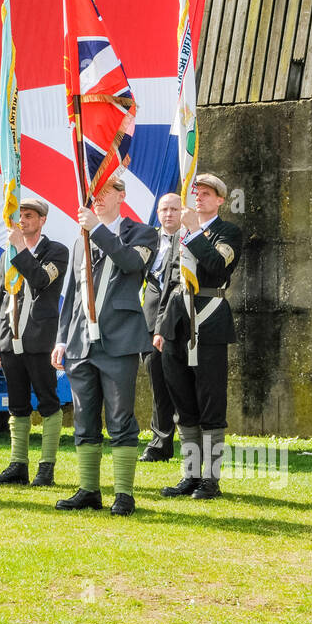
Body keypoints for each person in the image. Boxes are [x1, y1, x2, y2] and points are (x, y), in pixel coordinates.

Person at [51, 175, 158, 516]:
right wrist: (61, 338)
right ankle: (88, 489)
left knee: (120, 417)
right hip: (81, 341)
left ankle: (124, 493)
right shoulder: (80, 238)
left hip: (120, 339)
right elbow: (71, 294)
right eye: (92, 192)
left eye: (104, 190)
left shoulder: (142, 233)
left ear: (121, 196)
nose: (96, 196)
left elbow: (131, 263)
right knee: (83, 418)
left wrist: (96, 228)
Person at [154, 172, 243, 500]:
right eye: (197, 193)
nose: (201, 198)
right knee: (183, 403)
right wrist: (162, 326)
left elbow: (218, 265)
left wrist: (193, 232)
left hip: (210, 322)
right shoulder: (180, 234)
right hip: (176, 324)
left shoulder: (228, 232)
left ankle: (211, 479)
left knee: (210, 402)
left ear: (220, 199)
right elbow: (171, 281)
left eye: (207, 194)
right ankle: (190, 474)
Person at [0, 198, 69, 487]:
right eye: (20, 216)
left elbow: (40, 279)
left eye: (30, 216)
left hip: (40, 338)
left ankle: (46, 467)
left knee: (48, 401)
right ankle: (17, 464)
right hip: (10, 337)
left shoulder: (56, 251)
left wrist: (20, 247)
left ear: (43, 219)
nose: (23, 220)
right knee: (16, 404)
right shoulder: (5, 255)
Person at [140, 193, 184, 463]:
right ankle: (160, 442)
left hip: (177, 321)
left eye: (174, 209)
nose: (169, 214)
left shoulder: (189, 239)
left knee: (179, 383)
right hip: (147, 320)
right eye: (164, 209)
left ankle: (190, 438)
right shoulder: (148, 240)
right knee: (156, 381)